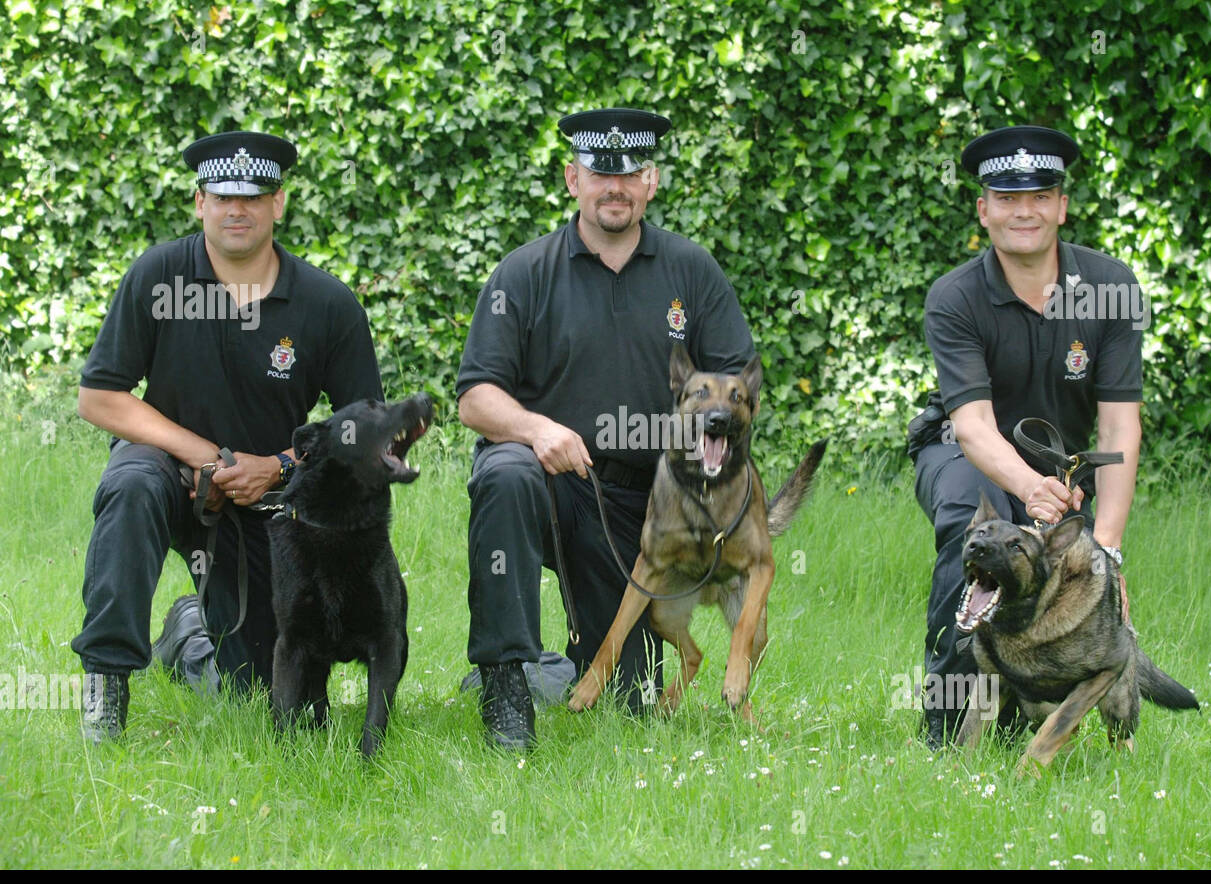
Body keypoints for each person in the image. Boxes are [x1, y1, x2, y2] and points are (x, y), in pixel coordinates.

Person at [456, 108, 756, 750]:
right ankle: (506, 682)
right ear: (573, 179)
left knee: (632, 699)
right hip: (558, 480)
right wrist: (537, 430)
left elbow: (736, 389)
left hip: (653, 505)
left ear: (651, 183)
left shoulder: (692, 271)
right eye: (599, 173)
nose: (614, 187)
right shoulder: (524, 273)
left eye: (631, 174)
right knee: (504, 473)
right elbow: (475, 398)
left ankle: (558, 665)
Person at [75, 131, 383, 742]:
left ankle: (189, 633)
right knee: (130, 486)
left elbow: (366, 430)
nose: (236, 209)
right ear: (199, 203)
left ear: (279, 203)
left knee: (265, 692)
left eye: (253, 196)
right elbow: (99, 397)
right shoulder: (159, 275)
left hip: (264, 497)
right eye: (222, 197)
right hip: (167, 471)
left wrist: (282, 466)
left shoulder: (326, 303)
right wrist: (203, 457)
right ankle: (106, 686)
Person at [912, 125, 1144, 747]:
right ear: (983, 209)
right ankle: (947, 727)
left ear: (1062, 206)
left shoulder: (1111, 287)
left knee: (1070, 568)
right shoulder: (954, 296)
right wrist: (1028, 490)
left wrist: (1110, 546)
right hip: (964, 453)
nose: (1024, 211)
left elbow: (1120, 424)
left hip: (1059, 468)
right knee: (975, 523)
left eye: (1040, 196)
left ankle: (1021, 711)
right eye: (1007, 198)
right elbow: (973, 425)